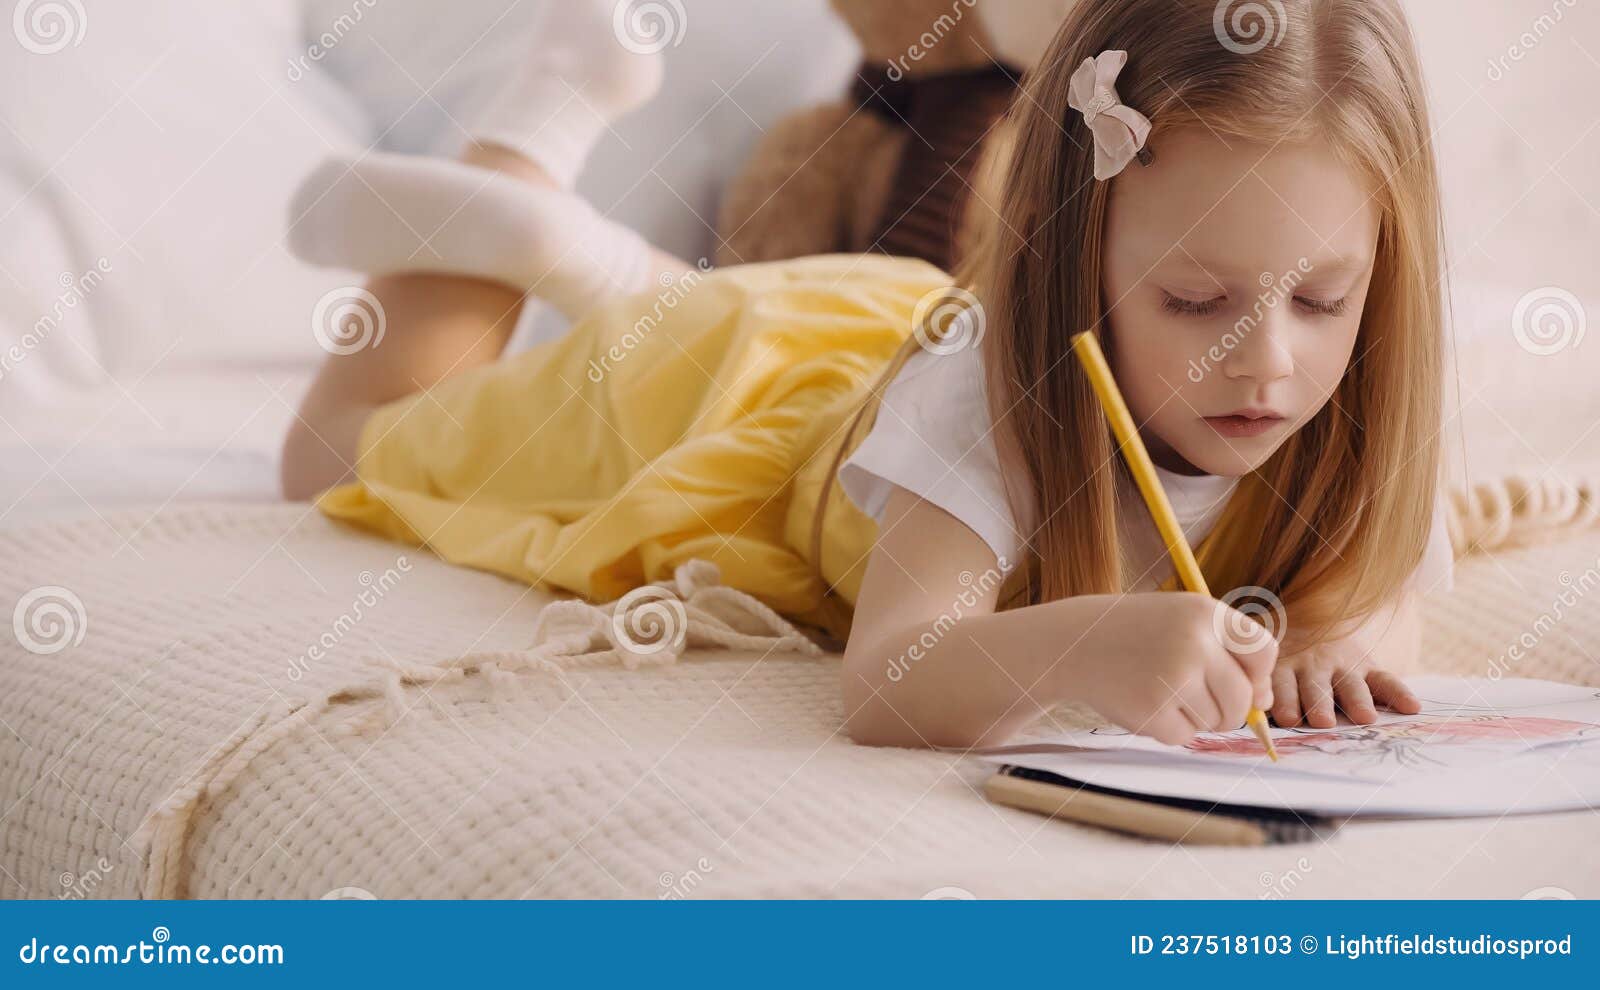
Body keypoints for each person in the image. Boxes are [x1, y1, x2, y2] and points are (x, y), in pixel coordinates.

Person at [282, 0, 1454, 751]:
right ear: (1068, 263)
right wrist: (1083, 646)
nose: (1264, 360)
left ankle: (592, 259)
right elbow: (890, 677)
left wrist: (1350, 637)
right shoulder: (986, 409)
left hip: (857, 335)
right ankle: (529, 143)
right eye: (1192, 302)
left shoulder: (1357, 392)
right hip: (729, 403)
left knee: (656, 313)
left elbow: (1394, 561)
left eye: (1322, 300)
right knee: (339, 451)